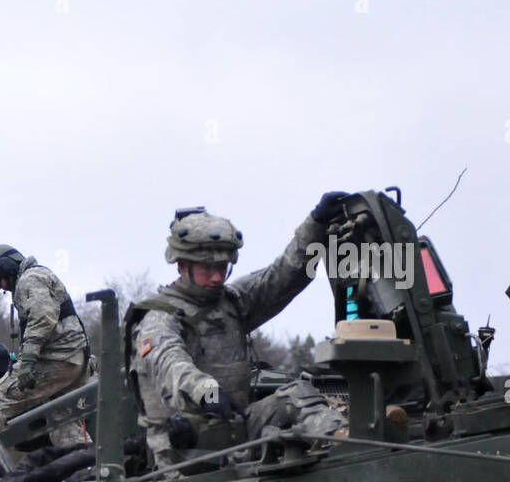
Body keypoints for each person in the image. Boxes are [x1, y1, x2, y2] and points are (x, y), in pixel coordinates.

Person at [126, 195, 351, 468]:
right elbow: (170, 364)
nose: (217, 277)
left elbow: (283, 275)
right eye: (207, 268)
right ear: (182, 265)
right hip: (185, 452)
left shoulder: (232, 302)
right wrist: (208, 392)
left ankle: (348, 445)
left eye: (222, 268)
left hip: (236, 430)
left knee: (297, 395)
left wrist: (316, 224)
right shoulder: (158, 318)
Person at [0, 244, 91, 447]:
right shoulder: (37, 277)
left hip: (57, 358)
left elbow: (43, 317)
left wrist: (27, 360)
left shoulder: (30, 279)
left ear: (7, 266)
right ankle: (82, 466)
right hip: (74, 359)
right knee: (63, 419)